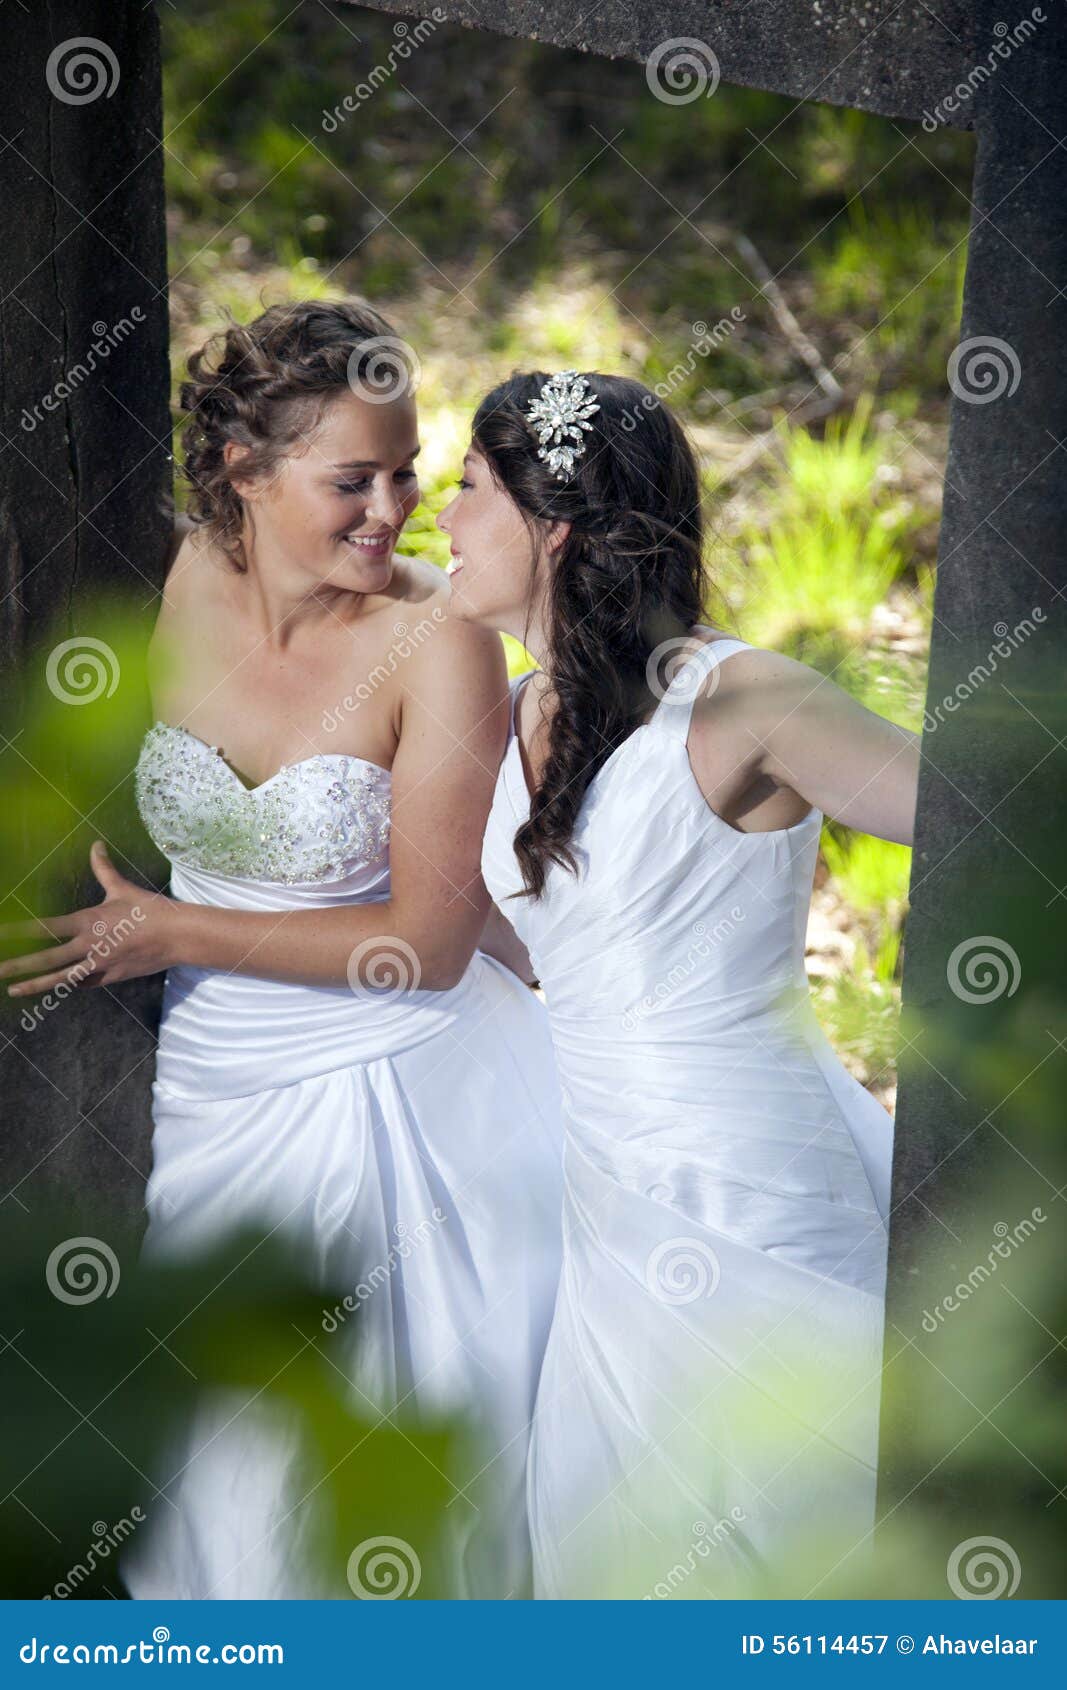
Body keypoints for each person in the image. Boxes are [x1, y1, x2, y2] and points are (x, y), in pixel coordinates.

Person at [2, 303, 563, 1599]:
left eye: (409, 472)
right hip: (217, 1076)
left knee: (358, 1462)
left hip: (397, 1064)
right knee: (219, 1450)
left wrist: (171, 928)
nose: (395, 510)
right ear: (245, 477)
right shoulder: (166, 573)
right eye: (351, 479)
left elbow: (424, 944)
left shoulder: (441, 644)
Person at [436, 369, 920, 1599]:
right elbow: (521, 946)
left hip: (748, 1181)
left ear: (550, 526)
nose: (443, 517)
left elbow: (984, 815)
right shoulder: (510, 712)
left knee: (778, 1544)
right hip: (600, 1198)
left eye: (466, 488)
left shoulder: (744, 698)